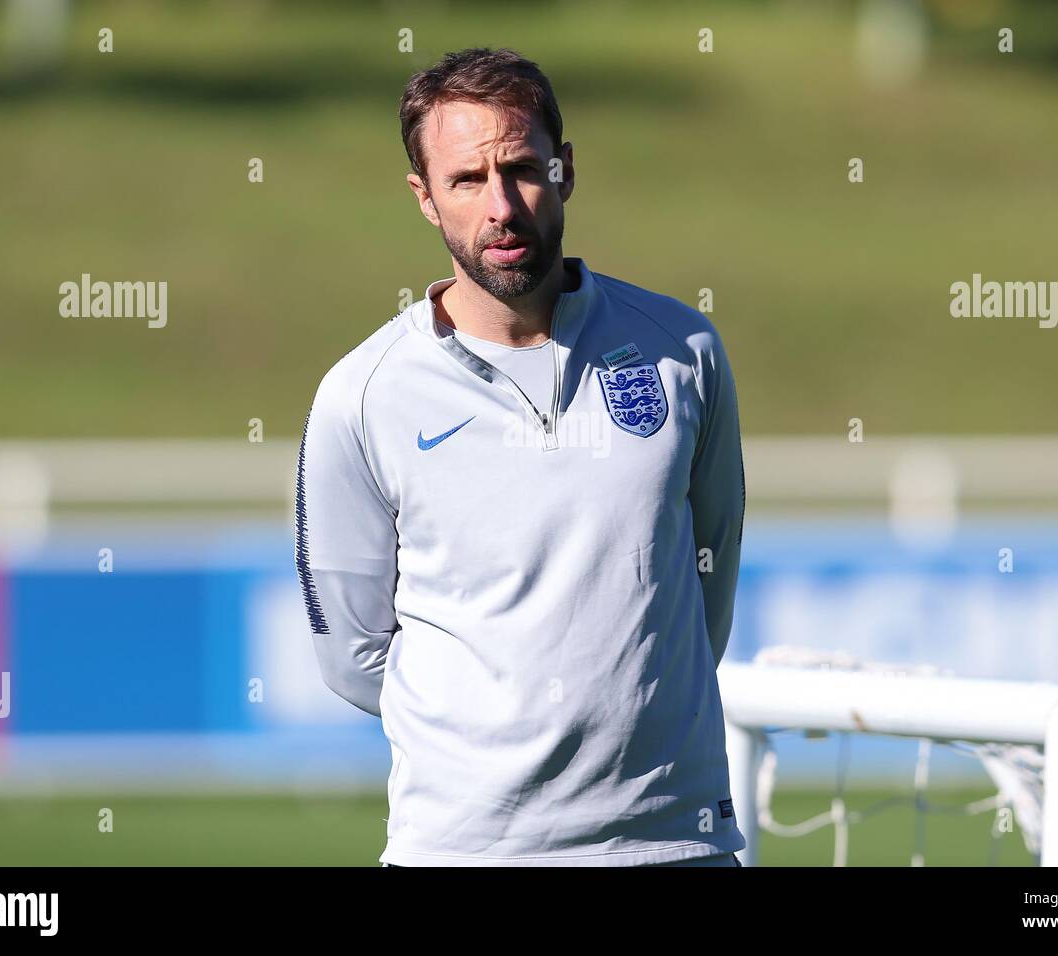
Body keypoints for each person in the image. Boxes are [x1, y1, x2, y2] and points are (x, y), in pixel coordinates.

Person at [295, 47, 746, 866]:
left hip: (674, 842)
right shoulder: (364, 395)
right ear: (425, 198)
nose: (502, 206)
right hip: (466, 852)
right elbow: (354, 655)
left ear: (565, 170)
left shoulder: (682, 350)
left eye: (523, 170)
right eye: (467, 180)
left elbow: (708, 581)